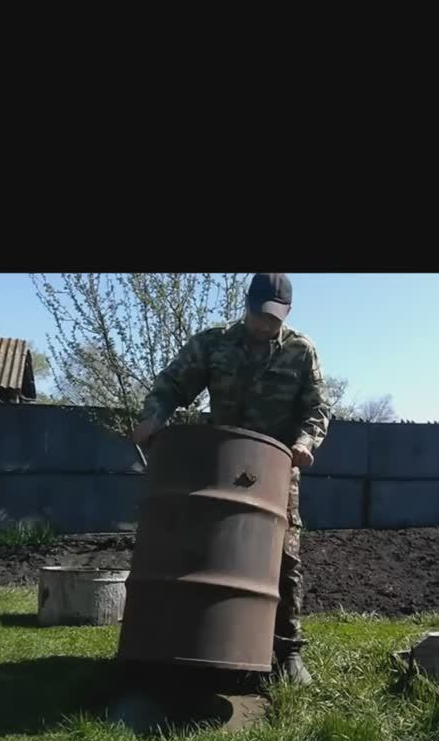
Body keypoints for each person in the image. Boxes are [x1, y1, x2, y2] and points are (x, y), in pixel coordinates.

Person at [133, 272, 330, 684]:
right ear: (247, 306)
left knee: (285, 557)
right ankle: (198, 639)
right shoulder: (214, 342)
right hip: (217, 463)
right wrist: (154, 416)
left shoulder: (301, 351)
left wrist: (306, 441)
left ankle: (287, 651)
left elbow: (317, 408)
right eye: (260, 315)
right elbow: (172, 383)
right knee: (208, 548)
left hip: (277, 469)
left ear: (287, 314)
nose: (266, 325)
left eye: (275, 318)